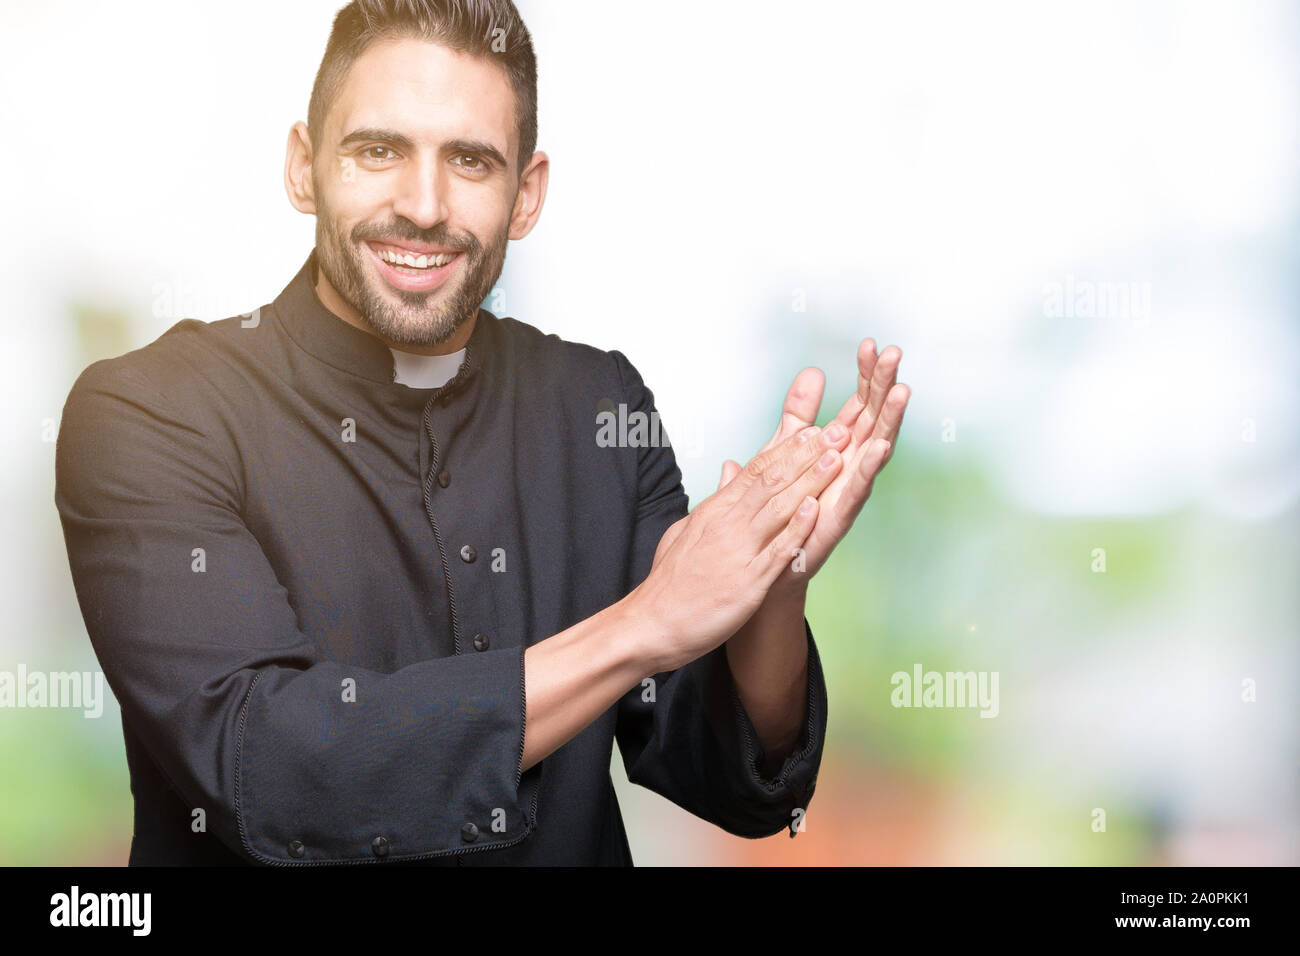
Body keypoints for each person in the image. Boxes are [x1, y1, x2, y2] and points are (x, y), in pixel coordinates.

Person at [53, 0, 910, 866]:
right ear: (304, 168)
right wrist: (643, 623)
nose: (423, 207)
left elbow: (724, 773)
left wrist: (772, 583)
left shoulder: (597, 403)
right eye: (379, 150)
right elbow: (271, 766)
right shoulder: (149, 412)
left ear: (526, 194)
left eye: (469, 160)